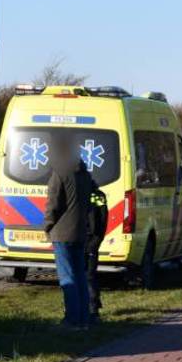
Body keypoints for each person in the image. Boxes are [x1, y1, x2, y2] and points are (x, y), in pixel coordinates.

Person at [43, 138, 96, 330]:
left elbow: (53, 205)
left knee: (67, 278)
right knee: (80, 276)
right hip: (80, 232)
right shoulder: (84, 174)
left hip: (62, 233)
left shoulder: (60, 173)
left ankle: (71, 320)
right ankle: (84, 318)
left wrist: (48, 226)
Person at [86, 187, 108, 323]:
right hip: (76, 239)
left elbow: (102, 220)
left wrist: (95, 242)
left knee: (89, 275)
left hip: (90, 240)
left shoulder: (98, 195)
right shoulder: (74, 191)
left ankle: (93, 310)